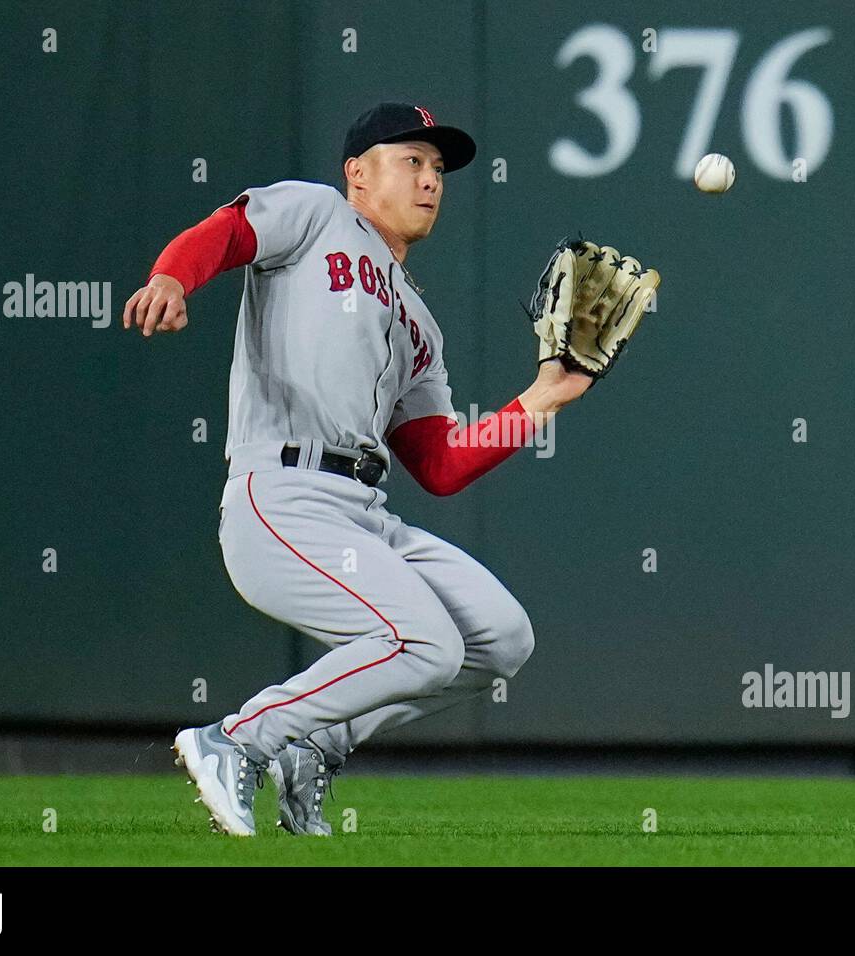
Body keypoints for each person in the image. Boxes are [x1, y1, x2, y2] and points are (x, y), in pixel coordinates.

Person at [123, 102, 594, 836]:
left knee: (501, 637)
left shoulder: (419, 321)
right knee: (425, 644)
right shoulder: (317, 216)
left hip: (362, 511)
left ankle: (317, 740)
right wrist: (172, 278)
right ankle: (236, 739)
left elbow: (437, 465)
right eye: (413, 161)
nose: (431, 179)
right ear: (358, 174)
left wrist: (542, 398)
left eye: (439, 169)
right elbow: (228, 233)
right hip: (282, 492)